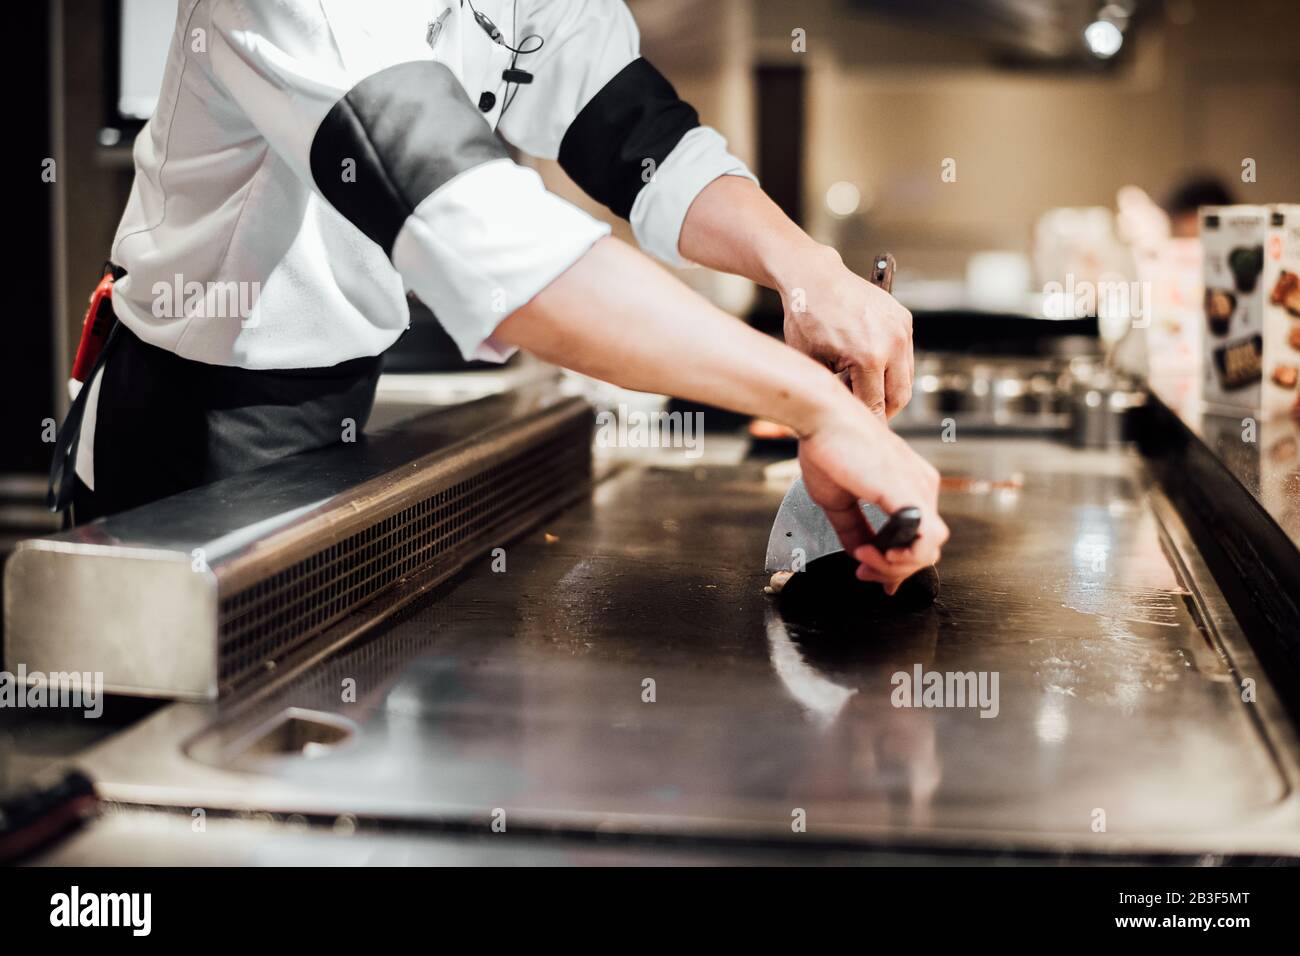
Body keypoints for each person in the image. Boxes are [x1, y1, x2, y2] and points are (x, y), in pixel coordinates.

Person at [58, 0, 947, 593]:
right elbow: (489, 243)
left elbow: (639, 136)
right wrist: (816, 408)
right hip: (188, 419)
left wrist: (808, 270)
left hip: (336, 401)